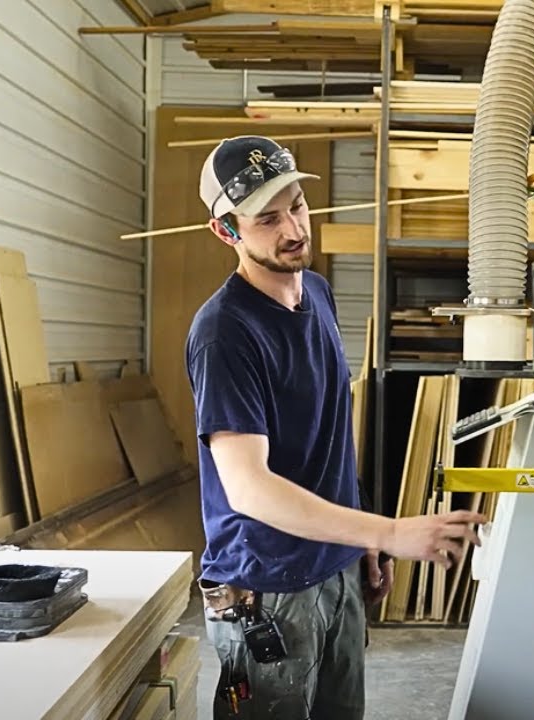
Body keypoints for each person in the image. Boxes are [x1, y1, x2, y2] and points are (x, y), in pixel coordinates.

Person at [185, 135, 484, 719]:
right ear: (227, 231)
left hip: (335, 569)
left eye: (296, 205)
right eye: (267, 219)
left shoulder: (316, 293)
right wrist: (393, 530)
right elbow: (248, 487)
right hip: (266, 588)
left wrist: (365, 537)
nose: (293, 228)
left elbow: (330, 431)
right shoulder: (226, 334)